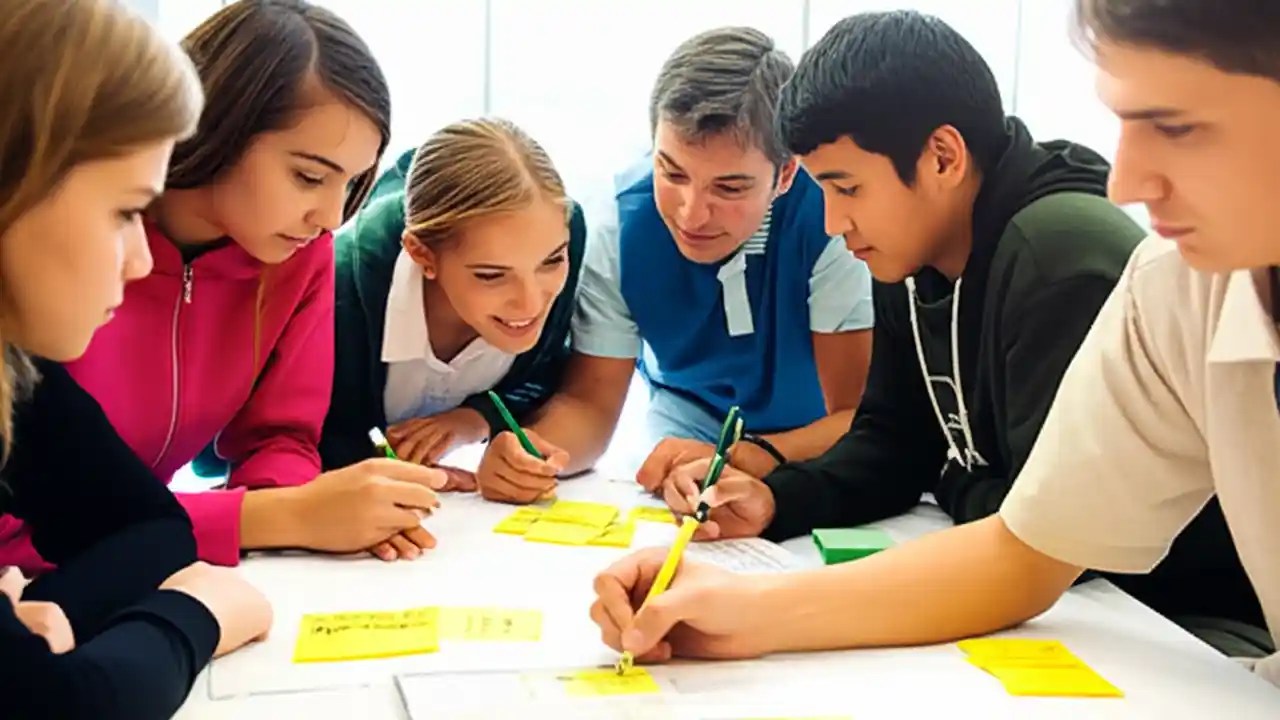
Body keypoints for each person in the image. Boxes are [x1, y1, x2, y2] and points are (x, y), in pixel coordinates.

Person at [589, 0, 1280, 683]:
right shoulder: (1180, 285)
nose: (1126, 180)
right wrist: (761, 550)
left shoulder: (1063, 251)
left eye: (1177, 126)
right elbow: (1016, 534)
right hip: (1137, 636)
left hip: (1181, 631)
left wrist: (949, 477)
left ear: (943, 158)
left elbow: (1041, 528)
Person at [0, 0, 445, 573]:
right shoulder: (66, 259)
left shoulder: (300, 253)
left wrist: (310, 514)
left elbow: (280, 438)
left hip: (142, 563)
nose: (333, 216)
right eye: (308, 176)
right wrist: (280, 518)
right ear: (219, 125)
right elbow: (27, 525)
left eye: (352, 183)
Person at [0, 1, 271, 716]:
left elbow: (149, 527)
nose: (139, 260)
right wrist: (195, 614)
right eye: (125, 213)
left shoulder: (13, 371)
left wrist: (37, 622)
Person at [478, 27, 875, 504]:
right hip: (686, 429)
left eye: (729, 188)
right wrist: (533, 454)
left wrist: (754, 454)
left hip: (815, 442)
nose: (691, 213)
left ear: (785, 174)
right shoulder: (620, 226)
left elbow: (858, 416)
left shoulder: (831, 220)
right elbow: (590, 404)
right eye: (671, 172)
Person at [320, 118, 586, 508]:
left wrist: (474, 420)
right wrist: (384, 467)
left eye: (552, 261)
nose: (531, 303)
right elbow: (290, 440)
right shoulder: (337, 290)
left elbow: (545, 373)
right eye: (492, 275)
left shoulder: (563, 233)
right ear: (422, 255)